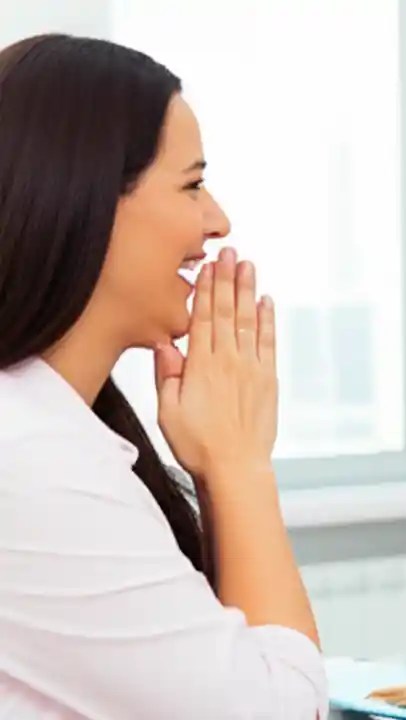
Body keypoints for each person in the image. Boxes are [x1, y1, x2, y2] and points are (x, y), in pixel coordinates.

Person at [0, 34, 327, 718]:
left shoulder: (48, 431)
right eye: (193, 184)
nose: (217, 220)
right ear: (85, 198)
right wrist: (238, 468)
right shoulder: (34, 462)